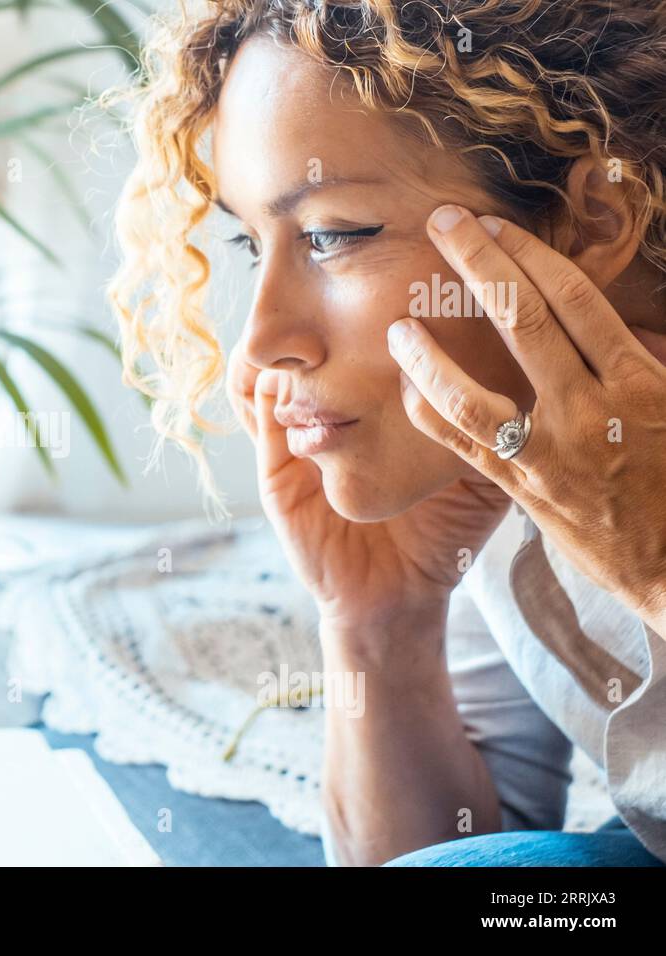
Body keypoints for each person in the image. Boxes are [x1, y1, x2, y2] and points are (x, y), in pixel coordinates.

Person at [109, 0, 666, 865]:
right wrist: (377, 618)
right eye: (257, 246)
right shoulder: (500, 459)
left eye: (334, 235)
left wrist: (655, 563)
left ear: (592, 219)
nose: (260, 342)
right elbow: (461, 848)